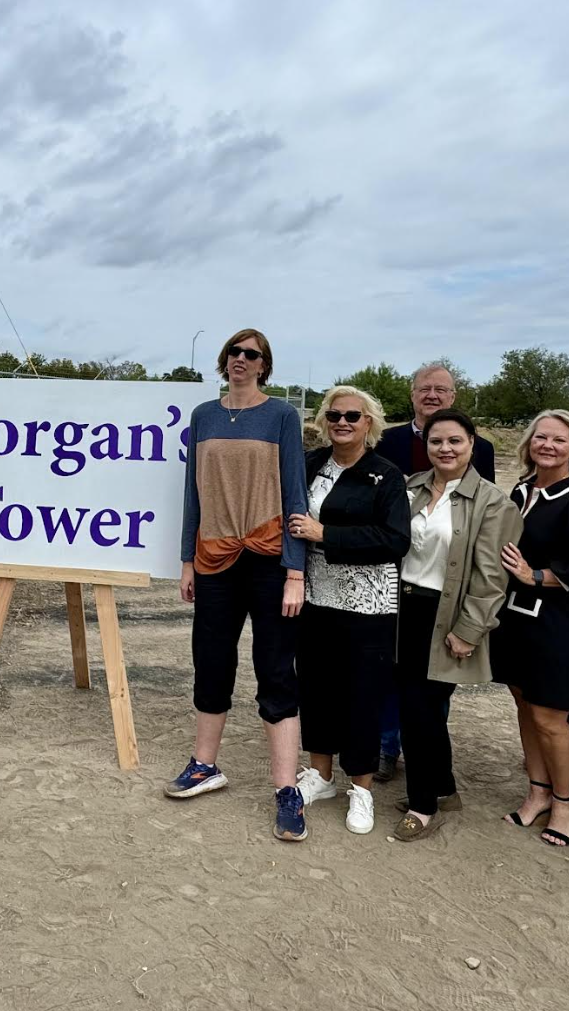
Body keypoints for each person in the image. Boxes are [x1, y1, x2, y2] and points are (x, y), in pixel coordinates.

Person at [166, 328, 310, 842]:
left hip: (269, 557)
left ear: (265, 365)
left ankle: (286, 789)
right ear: (224, 360)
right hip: (215, 557)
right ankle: (205, 764)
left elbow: (296, 492)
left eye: (252, 355)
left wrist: (296, 571)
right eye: (235, 353)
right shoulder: (204, 415)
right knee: (211, 659)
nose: (241, 361)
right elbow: (193, 494)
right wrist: (187, 560)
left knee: (275, 669)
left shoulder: (282, 417)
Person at [394, 408, 522, 839]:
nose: (444, 449)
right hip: (401, 610)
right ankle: (444, 789)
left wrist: (470, 629)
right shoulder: (410, 487)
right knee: (419, 708)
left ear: (472, 444)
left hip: (444, 614)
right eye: (436, 441)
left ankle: (422, 805)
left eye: (455, 441)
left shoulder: (492, 502)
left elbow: (492, 576)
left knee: (419, 710)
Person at [286, 385, 409, 835]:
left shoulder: (386, 475)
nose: (342, 422)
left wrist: (326, 534)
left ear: (369, 423)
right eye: (334, 415)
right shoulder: (312, 464)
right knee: (316, 685)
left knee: (362, 693)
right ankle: (320, 775)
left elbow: (395, 540)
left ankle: (362, 789)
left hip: (368, 603)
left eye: (352, 416)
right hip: (315, 596)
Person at [490, 410, 569, 848]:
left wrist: (536, 576)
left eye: (559, 440)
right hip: (514, 618)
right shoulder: (521, 490)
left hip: (558, 621)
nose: (548, 445)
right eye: (540, 437)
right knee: (524, 703)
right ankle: (538, 790)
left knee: (551, 715)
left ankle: (565, 801)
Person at [372, 361, 494, 780]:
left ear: (453, 396)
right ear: (412, 394)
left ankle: (427, 758)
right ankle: (387, 747)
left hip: (446, 585)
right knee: (391, 673)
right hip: (394, 578)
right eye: (425, 388)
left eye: (441, 389)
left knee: (434, 682)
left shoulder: (483, 449)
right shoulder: (385, 440)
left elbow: (478, 520)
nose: (433, 395)